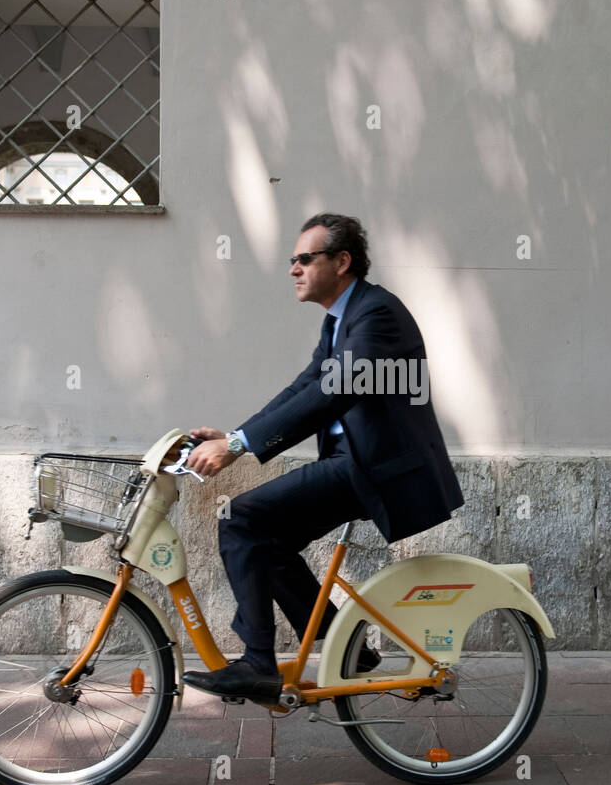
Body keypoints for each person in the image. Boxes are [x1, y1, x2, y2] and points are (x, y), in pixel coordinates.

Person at [181, 212, 464, 703]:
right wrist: (235, 436)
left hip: (373, 469)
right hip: (351, 463)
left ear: (342, 261)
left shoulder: (377, 314)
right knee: (267, 542)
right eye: (292, 260)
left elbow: (333, 393)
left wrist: (237, 447)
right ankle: (347, 648)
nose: (293, 268)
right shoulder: (340, 321)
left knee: (241, 519)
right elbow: (305, 387)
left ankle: (257, 664)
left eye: (305, 259)